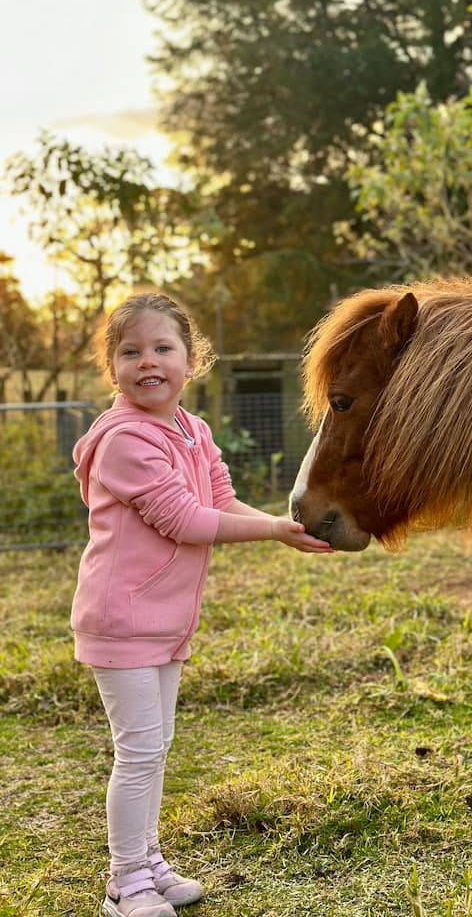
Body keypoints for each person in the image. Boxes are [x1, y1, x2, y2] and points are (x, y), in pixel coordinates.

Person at [71, 292, 333, 917]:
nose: (148, 362)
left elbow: (219, 497)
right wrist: (271, 530)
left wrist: (281, 526)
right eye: (130, 352)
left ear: (192, 361)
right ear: (113, 369)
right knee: (138, 750)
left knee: (155, 747)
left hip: (164, 620)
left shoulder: (193, 429)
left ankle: (148, 859)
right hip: (121, 619)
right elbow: (185, 520)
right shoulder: (125, 441)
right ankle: (124, 882)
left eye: (164, 348)